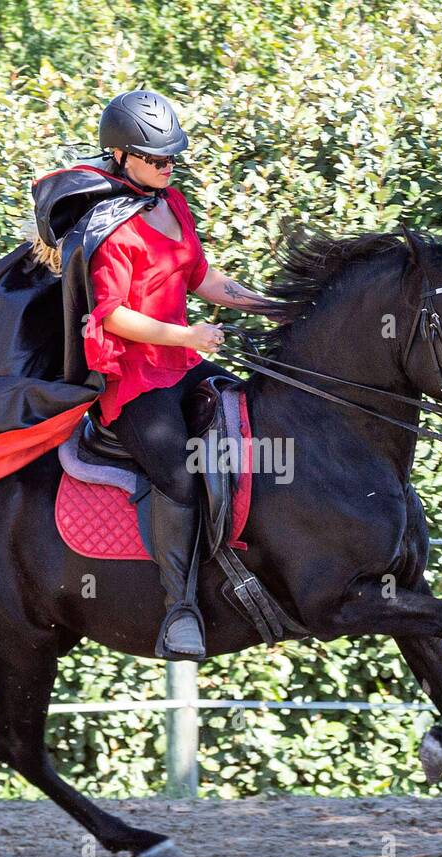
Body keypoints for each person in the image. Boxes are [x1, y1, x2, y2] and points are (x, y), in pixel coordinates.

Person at [81, 90, 285, 659]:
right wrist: (188, 335)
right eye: (156, 159)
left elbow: (199, 275)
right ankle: (181, 608)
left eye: (173, 158)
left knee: (251, 424)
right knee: (176, 473)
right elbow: (113, 315)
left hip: (184, 364)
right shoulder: (113, 226)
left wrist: (267, 305)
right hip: (137, 378)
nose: (168, 168)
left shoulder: (173, 202)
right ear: (121, 156)